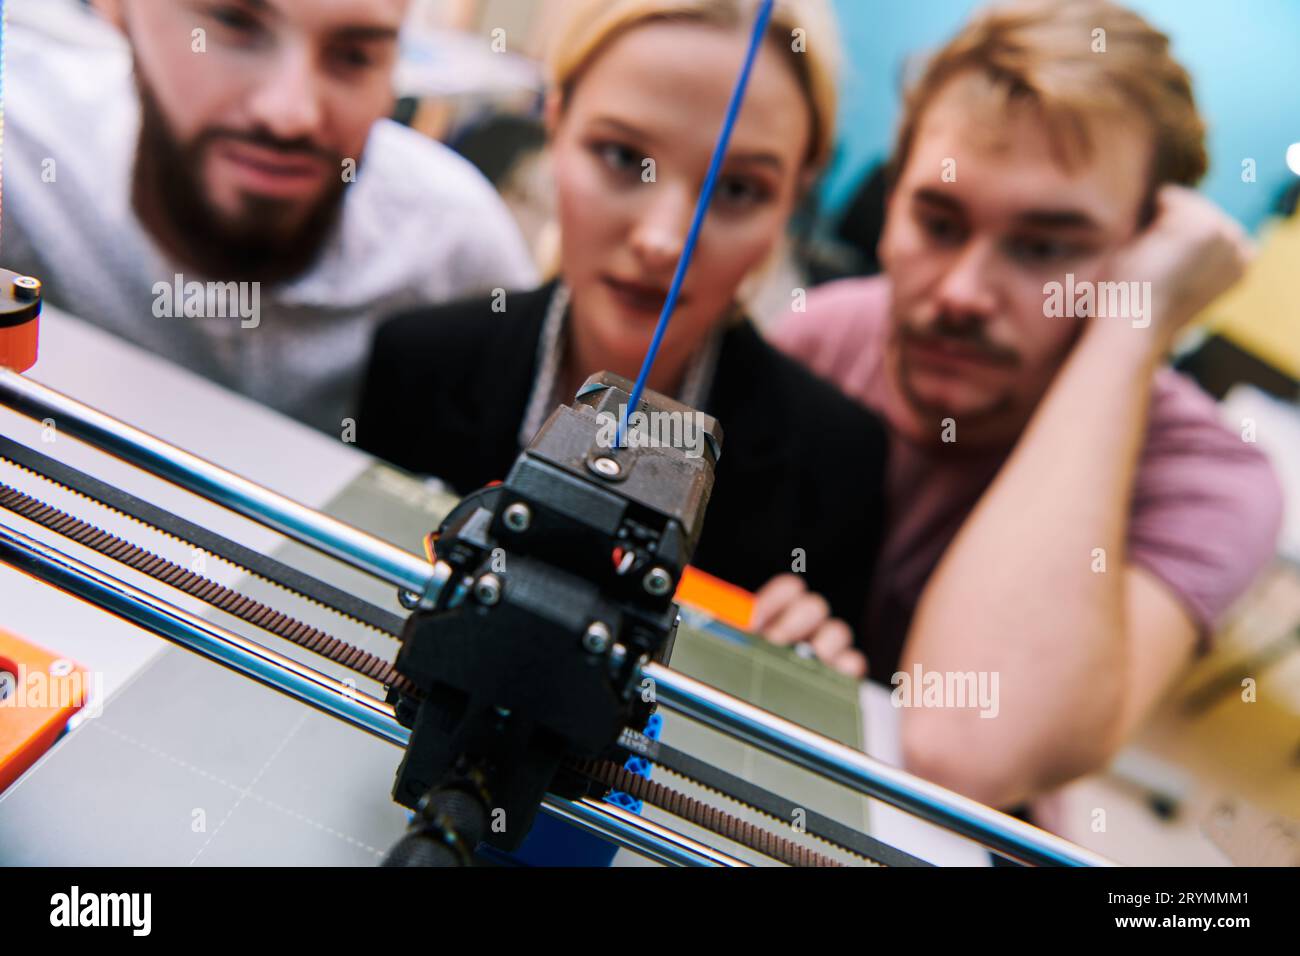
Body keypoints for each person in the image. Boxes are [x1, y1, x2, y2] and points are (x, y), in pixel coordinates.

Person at [772, 0, 1283, 807]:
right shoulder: (824, 339)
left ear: (1142, 253)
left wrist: (1132, 327)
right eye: (937, 221)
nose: (965, 294)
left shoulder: (1209, 481)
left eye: (1044, 247)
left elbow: (965, 746)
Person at [359, 0, 886, 675]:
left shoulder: (838, 467)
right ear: (554, 124)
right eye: (621, 155)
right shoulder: (416, 365)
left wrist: (800, 682)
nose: (663, 240)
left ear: (792, 202)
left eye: (737, 189)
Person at [1, 0, 535, 434]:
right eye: (234, 24)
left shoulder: (456, 252)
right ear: (117, 9)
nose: (290, 115)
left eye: (354, 55)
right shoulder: (19, 155)